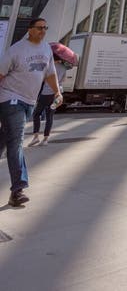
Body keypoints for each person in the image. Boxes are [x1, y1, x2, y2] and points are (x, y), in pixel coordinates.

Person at [0, 17, 62, 208]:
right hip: (11, 99)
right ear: (30, 30)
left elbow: (50, 74)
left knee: (5, 138)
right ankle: (18, 190)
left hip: (29, 102)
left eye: (45, 28)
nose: (43, 31)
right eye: (39, 28)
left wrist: (58, 92)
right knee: (17, 141)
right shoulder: (16, 50)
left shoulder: (45, 50)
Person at [29, 50, 69, 146]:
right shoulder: (64, 68)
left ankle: (35, 137)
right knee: (49, 116)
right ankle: (45, 139)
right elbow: (63, 79)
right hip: (57, 95)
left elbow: (42, 79)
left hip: (46, 94)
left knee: (36, 114)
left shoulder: (49, 67)